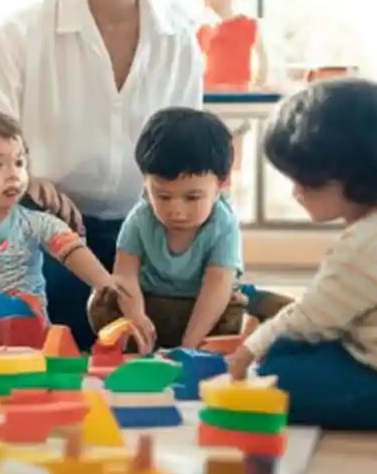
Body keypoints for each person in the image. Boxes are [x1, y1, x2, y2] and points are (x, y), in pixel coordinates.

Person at [0, 0, 204, 350]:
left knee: (174, 329)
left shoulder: (179, 42)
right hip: (42, 232)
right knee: (41, 332)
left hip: (145, 231)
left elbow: (189, 156)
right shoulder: (22, 32)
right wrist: (22, 179)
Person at [225, 78, 377, 430]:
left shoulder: (371, 244)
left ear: (352, 174)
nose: (296, 193)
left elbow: (311, 318)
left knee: (278, 372)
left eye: (306, 181)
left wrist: (247, 352)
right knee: (285, 350)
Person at [89, 107, 257, 354]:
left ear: (221, 184)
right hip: (151, 304)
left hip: (202, 308)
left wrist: (190, 346)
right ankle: (141, 345)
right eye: (163, 196)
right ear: (145, 183)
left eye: (192, 197)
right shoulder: (141, 216)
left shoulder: (223, 224)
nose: (176, 210)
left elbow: (217, 284)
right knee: (102, 300)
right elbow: (125, 275)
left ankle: (194, 346)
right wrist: (136, 316)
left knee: (234, 311)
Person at [0, 108, 123, 321]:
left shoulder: (34, 223)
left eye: (19, 163)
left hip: (28, 329)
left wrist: (104, 284)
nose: (13, 174)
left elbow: (72, 250)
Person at [193, 0, 270, 92]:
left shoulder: (248, 25)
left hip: (239, 96)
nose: (207, 0)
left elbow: (262, 60)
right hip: (210, 95)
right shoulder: (202, 31)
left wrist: (256, 87)